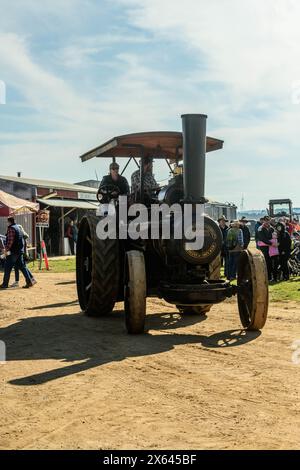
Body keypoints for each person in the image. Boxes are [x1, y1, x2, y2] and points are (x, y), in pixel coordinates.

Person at [0, 217, 34, 289]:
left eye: (7, 222)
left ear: (9, 222)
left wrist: (6, 250)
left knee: (7, 268)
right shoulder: (18, 228)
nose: (7, 223)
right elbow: (22, 240)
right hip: (19, 251)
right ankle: (29, 282)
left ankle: (5, 284)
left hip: (13, 252)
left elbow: (10, 241)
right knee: (22, 267)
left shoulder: (11, 228)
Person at [257, 216, 273, 281]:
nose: (267, 221)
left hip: (271, 247)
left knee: (270, 262)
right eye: (265, 220)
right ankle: (266, 277)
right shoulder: (260, 228)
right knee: (265, 262)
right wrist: (271, 243)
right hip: (264, 247)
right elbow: (262, 238)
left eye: (268, 220)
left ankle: (270, 276)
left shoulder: (271, 228)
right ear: (263, 221)